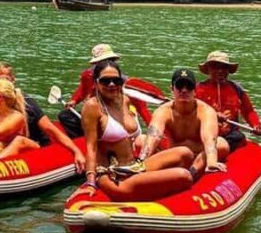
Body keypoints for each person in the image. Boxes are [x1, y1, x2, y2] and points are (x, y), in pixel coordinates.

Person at [80, 61, 195, 201]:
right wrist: (91, 182)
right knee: (184, 175)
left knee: (185, 153)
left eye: (116, 80)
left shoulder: (124, 100)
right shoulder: (92, 107)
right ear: (96, 82)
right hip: (114, 176)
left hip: (134, 167)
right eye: (105, 81)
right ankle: (156, 192)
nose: (111, 84)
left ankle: (154, 186)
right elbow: (91, 148)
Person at [0, 64, 85, 172]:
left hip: (36, 145)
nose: (1, 84)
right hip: (9, 143)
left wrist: (77, 151)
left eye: (5, 80)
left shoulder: (27, 103)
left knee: (19, 140)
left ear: (13, 81)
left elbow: (51, 129)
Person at [139, 68, 229, 178]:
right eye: (180, 86)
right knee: (140, 140)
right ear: (172, 89)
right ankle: (141, 170)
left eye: (189, 86)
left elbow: (209, 139)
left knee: (222, 144)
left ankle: (194, 171)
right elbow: (154, 136)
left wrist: (211, 162)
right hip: (176, 156)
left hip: (199, 156)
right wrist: (141, 161)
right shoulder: (163, 111)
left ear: (194, 91)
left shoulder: (206, 111)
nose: (184, 90)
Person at [59, 44, 151, 138]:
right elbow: (83, 90)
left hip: (119, 117)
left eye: (109, 61)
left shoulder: (128, 84)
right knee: (65, 116)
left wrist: (153, 130)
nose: (106, 65)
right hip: (98, 113)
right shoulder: (88, 75)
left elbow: (142, 109)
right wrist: (74, 100)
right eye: (101, 63)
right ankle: (82, 140)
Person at [196, 51, 261, 152]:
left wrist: (256, 125)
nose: (220, 71)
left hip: (230, 136)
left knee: (238, 137)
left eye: (224, 67)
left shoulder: (237, 89)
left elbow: (248, 111)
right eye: (215, 67)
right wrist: (213, 115)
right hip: (204, 133)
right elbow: (191, 111)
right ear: (208, 69)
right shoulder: (198, 89)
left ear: (228, 70)